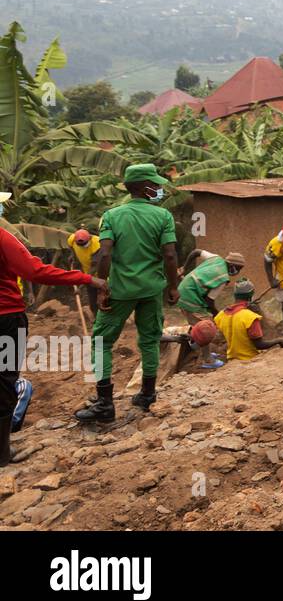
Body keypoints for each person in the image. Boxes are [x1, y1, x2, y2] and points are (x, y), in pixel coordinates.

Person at [2, 192, 107, 461]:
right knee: (5, 380)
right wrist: (86, 279)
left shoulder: (91, 243)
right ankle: (2, 453)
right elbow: (35, 272)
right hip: (6, 319)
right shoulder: (4, 238)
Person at [75, 164, 179, 423]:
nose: (158, 189)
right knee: (150, 339)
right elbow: (169, 254)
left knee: (102, 342)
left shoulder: (112, 215)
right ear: (143, 187)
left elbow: (106, 253)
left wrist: (102, 286)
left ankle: (104, 404)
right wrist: (173, 285)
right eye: (154, 185)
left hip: (120, 290)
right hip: (152, 289)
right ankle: (147, 394)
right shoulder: (163, 216)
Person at [177, 249, 245, 367]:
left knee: (202, 322)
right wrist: (218, 314)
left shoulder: (215, 258)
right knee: (206, 326)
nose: (237, 272)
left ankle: (202, 350)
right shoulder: (223, 278)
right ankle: (207, 359)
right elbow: (209, 301)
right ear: (232, 265)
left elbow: (196, 252)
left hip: (184, 287)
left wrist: (184, 268)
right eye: (238, 269)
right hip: (189, 297)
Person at [215, 279, 283, 361]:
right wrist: (279, 340)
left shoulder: (221, 315)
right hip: (249, 359)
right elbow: (259, 345)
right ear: (250, 296)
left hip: (232, 359)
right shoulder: (250, 317)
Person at [67, 228, 103, 310]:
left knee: (104, 300)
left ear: (90, 238)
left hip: (102, 276)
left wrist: (81, 287)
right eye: (80, 245)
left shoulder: (98, 244)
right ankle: (95, 320)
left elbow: (94, 268)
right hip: (88, 274)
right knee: (93, 302)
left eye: (84, 244)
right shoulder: (72, 239)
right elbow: (70, 246)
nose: (82, 247)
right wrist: (72, 255)